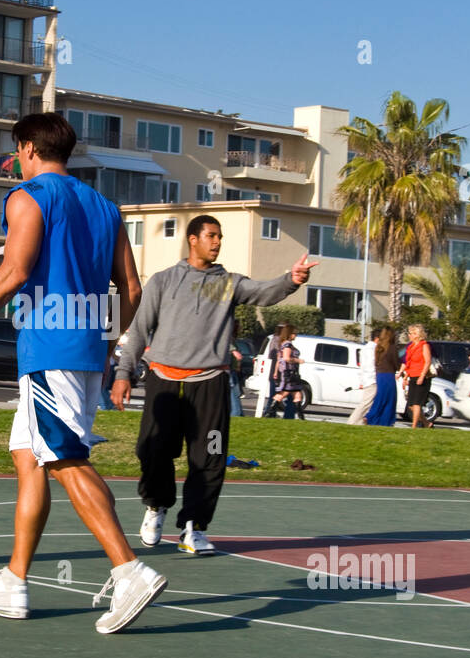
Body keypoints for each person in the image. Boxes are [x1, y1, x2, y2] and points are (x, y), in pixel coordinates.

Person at [0, 111, 167, 634]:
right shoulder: (105, 206)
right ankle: (14, 581)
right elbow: (133, 290)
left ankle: (129, 569)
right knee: (29, 457)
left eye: (16, 153)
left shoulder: (28, 196)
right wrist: (103, 341)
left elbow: (15, 269)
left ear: (29, 148)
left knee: (64, 459)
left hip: (49, 350)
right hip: (80, 348)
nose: (16, 162)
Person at [112, 216, 317, 554]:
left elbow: (264, 292)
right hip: (164, 382)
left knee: (210, 454)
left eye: (220, 236)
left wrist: (290, 280)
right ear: (193, 239)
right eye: (211, 235)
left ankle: (193, 526)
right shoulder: (164, 281)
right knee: (153, 451)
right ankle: (156, 507)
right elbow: (139, 329)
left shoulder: (228, 283)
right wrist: (123, 374)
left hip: (210, 383)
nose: (217, 242)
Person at [365, 326, 399, 426]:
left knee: (381, 397)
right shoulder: (392, 348)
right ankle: (380, 419)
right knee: (389, 399)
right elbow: (396, 363)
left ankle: (375, 418)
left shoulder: (379, 347)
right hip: (389, 375)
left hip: (380, 374)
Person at [401, 323, 433, 428]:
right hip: (412, 375)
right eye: (409, 333)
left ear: (417, 335)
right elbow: (408, 363)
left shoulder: (424, 345)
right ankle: (426, 423)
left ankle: (414, 426)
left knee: (417, 403)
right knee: (411, 405)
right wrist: (405, 377)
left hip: (422, 376)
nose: (409, 335)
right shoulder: (410, 347)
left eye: (412, 333)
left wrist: (422, 376)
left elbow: (427, 362)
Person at [271, 324, 306, 418]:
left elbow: (279, 359)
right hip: (288, 372)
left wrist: (275, 372)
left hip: (289, 372)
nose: (296, 335)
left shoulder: (283, 344)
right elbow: (286, 358)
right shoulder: (287, 345)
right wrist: (298, 360)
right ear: (289, 334)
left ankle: (301, 415)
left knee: (297, 393)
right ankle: (270, 411)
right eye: (294, 333)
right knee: (284, 393)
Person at [347, 329, 379, 424]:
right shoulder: (372, 350)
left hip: (367, 379)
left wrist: (362, 381)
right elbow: (371, 365)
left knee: (368, 403)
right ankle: (352, 422)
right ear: (377, 339)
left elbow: (362, 367)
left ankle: (361, 422)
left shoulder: (365, 348)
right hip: (372, 379)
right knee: (366, 403)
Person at [254, 323, 284, 418]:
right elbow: (276, 355)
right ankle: (269, 411)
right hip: (275, 369)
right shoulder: (278, 340)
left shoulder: (274, 338)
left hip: (273, 368)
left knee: (274, 391)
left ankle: (270, 410)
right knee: (274, 392)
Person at [229, 320, 244, 418]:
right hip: (228, 369)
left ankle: (238, 413)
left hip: (232, 369)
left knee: (236, 392)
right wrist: (234, 351)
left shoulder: (232, 338)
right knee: (234, 392)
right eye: (238, 326)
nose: (239, 328)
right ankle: (236, 413)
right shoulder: (228, 337)